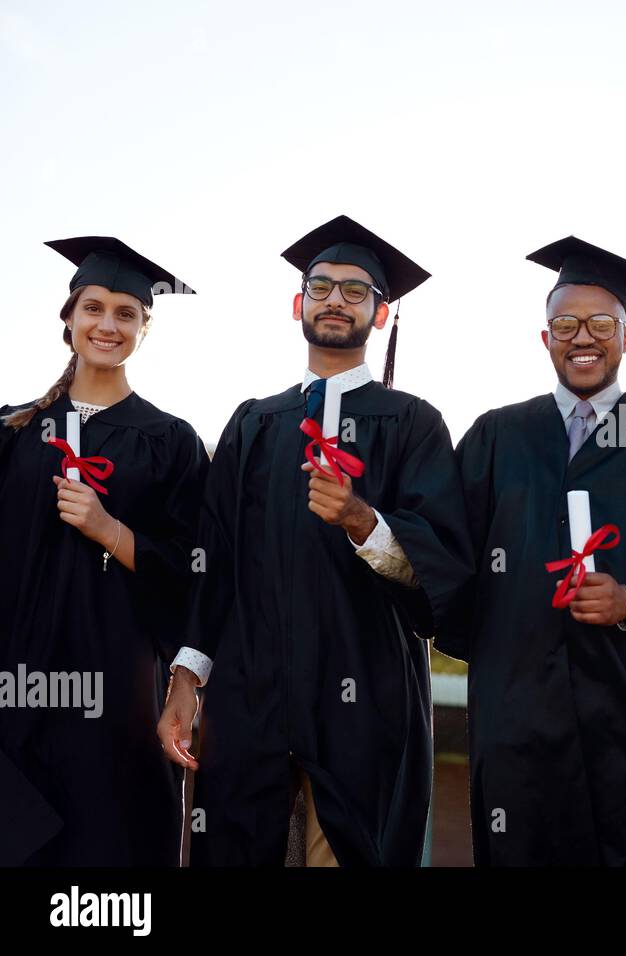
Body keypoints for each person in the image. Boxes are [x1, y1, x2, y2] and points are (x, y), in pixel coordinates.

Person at [156, 215, 474, 866]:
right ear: (297, 304)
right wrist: (185, 681)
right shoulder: (254, 424)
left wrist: (362, 520)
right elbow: (213, 563)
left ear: (380, 315)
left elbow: (443, 562)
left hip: (365, 701)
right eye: (321, 286)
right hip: (251, 695)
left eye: (356, 291)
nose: (335, 299)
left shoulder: (413, 424)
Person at [441, 236, 626, 865]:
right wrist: (366, 521)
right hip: (520, 723)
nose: (582, 337)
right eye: (565, 324)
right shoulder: (495, 436)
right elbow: (444, 558)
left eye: (601, 324)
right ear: (545, 338)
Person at [1, 236, 207, 865]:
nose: (107, 325)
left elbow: (198, 571)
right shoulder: (11, 432)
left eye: (126, 313)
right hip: (14, 684)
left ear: (145, 329)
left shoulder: (171, 442)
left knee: (109, 847)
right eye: (93, 308)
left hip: (115, 690)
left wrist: (110, 530)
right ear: (68, 318)